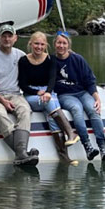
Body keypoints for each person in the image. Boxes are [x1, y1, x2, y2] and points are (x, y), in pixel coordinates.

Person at [17, 30, 81, 165]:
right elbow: (22, 84)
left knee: (52, 117)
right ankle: (70, 132)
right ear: (30, 44)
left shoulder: (50, 59)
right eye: (36, 44)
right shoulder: (23, 61)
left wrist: (47, 91)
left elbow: (52, 79)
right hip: (32, 95)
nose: (39, 47)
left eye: (42, 44)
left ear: (46, 45)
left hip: (49, 92)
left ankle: (64, 158)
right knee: (49, 102)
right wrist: (37, 92)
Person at [0, 23, 38, 168]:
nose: (7, 39)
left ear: (15, 38)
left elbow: (35, 70)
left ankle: (20, 154)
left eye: (9, 36)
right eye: (4, 36)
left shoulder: (21, 55)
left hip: (15, 94)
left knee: (25, 110)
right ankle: (22, 153)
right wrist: (2, 101)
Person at [53, 30, 105, 163]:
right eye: (58, 43)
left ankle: (103, 147)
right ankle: (88, 146)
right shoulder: (51, 61)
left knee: (93, 110)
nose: (61, 46)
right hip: (65, 95)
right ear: (55, 44)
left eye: (64, 43)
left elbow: (89, 80)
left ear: (68, 45)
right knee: (77, 109)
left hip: (82, 92)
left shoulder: (77, 59)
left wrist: (97, 99)